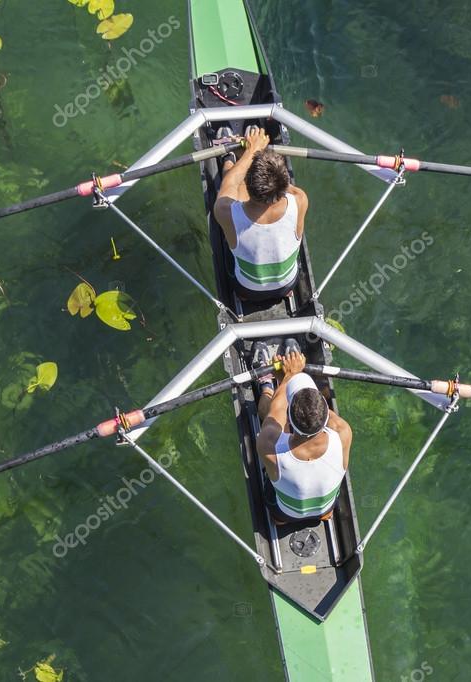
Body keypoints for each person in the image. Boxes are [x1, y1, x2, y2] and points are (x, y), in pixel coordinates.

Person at [254, 341, 352, 522]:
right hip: (326, 509)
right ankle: (325, 515)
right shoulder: (343, 431)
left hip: (284, 513)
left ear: (289, 416)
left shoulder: (267, 444)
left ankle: (267, 384)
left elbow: (276, 411)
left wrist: (285, 378)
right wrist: (296, 375)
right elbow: (317, 409)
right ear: (326, 413)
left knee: (270, 416)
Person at [213, 126, 309, 300]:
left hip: (246, 290)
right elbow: (279, 183)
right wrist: (262, 155)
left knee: (237, 188)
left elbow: (230, 183)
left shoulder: (224, 211)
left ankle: (229, 157)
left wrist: (252, 152)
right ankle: (286, 293)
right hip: (287, 285)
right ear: (284, 180)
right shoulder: (300, 199)